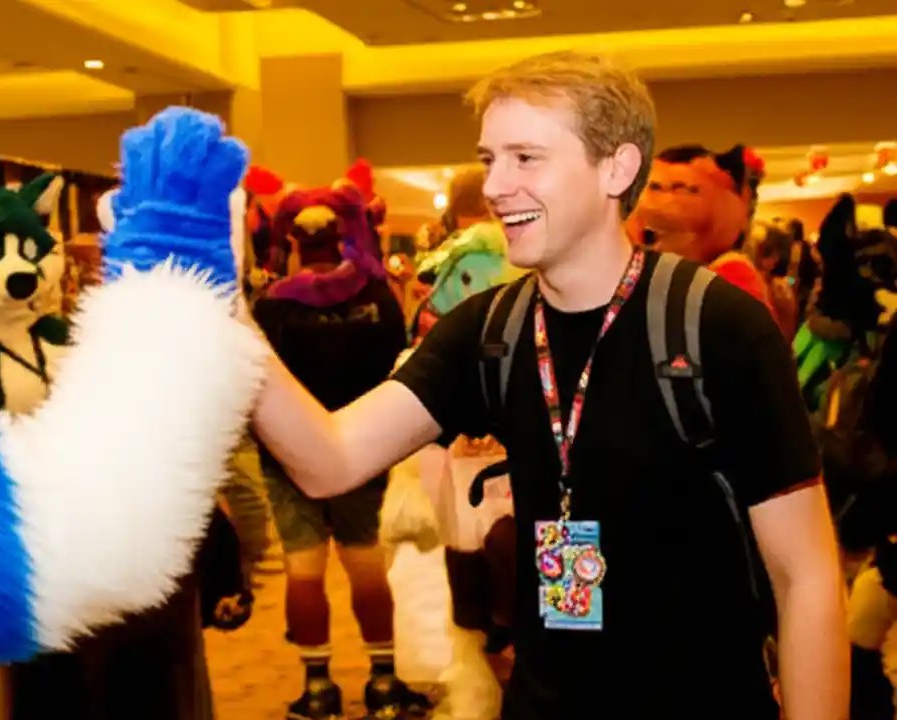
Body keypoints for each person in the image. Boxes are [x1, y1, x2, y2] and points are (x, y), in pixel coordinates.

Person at [237, 50, 847, 719]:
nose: (495, 184)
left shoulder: (714, 327)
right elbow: (331, 460)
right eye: (490, 157)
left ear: (616, 168)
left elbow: (807, 576)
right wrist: (222, 307)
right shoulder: (489, 330)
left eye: (525, 158)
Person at [250, 182, 425, 719]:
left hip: (286, 452)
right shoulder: (376, 297)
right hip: (364, 445)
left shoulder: (271, 306)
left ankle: (319, 688)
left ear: (295, 241)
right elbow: (402, 366)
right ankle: (382, 683)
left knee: (303, 569)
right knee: (367, 565)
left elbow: (255, 380)